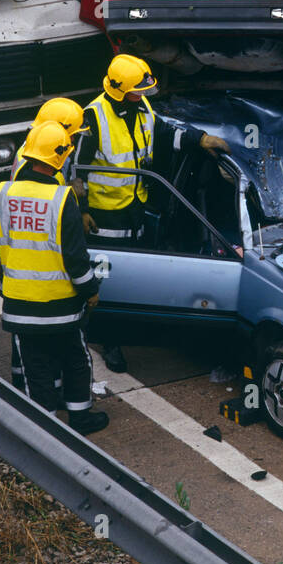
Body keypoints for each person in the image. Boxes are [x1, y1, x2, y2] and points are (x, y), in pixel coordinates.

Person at [73, 53, 225, 371]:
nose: (143, 94)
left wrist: (200, 139)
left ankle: (131, 327)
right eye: (136, 90)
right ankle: (108, 339)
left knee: (132, 275)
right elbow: (77, 173)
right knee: (107, 280)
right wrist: (83, 210)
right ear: (119, 91)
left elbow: (165, 134)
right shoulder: (94, 118)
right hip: (104, 216)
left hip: (135, 209)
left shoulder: (142, 109)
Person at [0, 121, 107, 435]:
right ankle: (80, 418)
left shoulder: (5, 192)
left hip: (19, 304)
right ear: (59, 159)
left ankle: (46, 430)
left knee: (37, 368)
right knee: (76, 360)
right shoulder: (62, 200)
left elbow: (0, 241)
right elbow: (75, 257)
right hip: (61, 304)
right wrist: (90, 290)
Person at [11, 97, 84, 183]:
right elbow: (45, 194)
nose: (73, 139)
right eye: (72, 134)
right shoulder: (43, 161)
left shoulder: (34, 147)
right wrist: (70, 192)